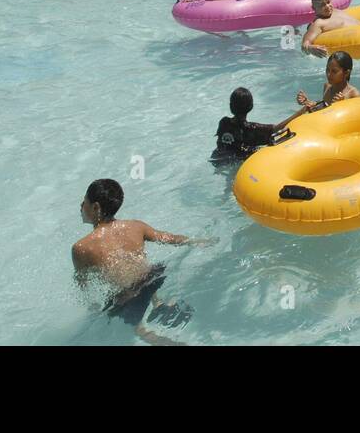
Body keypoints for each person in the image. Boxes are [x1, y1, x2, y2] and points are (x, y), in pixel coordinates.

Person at [72, 179, 206, 344]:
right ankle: (159, 304)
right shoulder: (135, 226)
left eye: (84, 201)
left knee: (142, 332)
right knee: (142, 274)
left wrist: (93, 310)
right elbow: (168, 238)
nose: (80, 205)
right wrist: (196, 241)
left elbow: (82, 283)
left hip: (128, 297)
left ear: (95, 207)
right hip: (153, 278)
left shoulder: (81, 247)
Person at [212, 88, 298, 160]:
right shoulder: (252, 129)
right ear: (251, 107)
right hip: (239, 162)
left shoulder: (223, 122)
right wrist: (302, 111)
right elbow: (278, 128)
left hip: (217, 158)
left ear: (231, 106)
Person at [294, 51, 360, 116]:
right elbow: (325, 110)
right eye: (327, 70)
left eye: (334, 71)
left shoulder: (353, 94)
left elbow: (356, 119)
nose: (329, 74)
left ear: (346, 73)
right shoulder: (327, 87)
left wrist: (342, 106)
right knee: (304, 110)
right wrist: (307, 102)